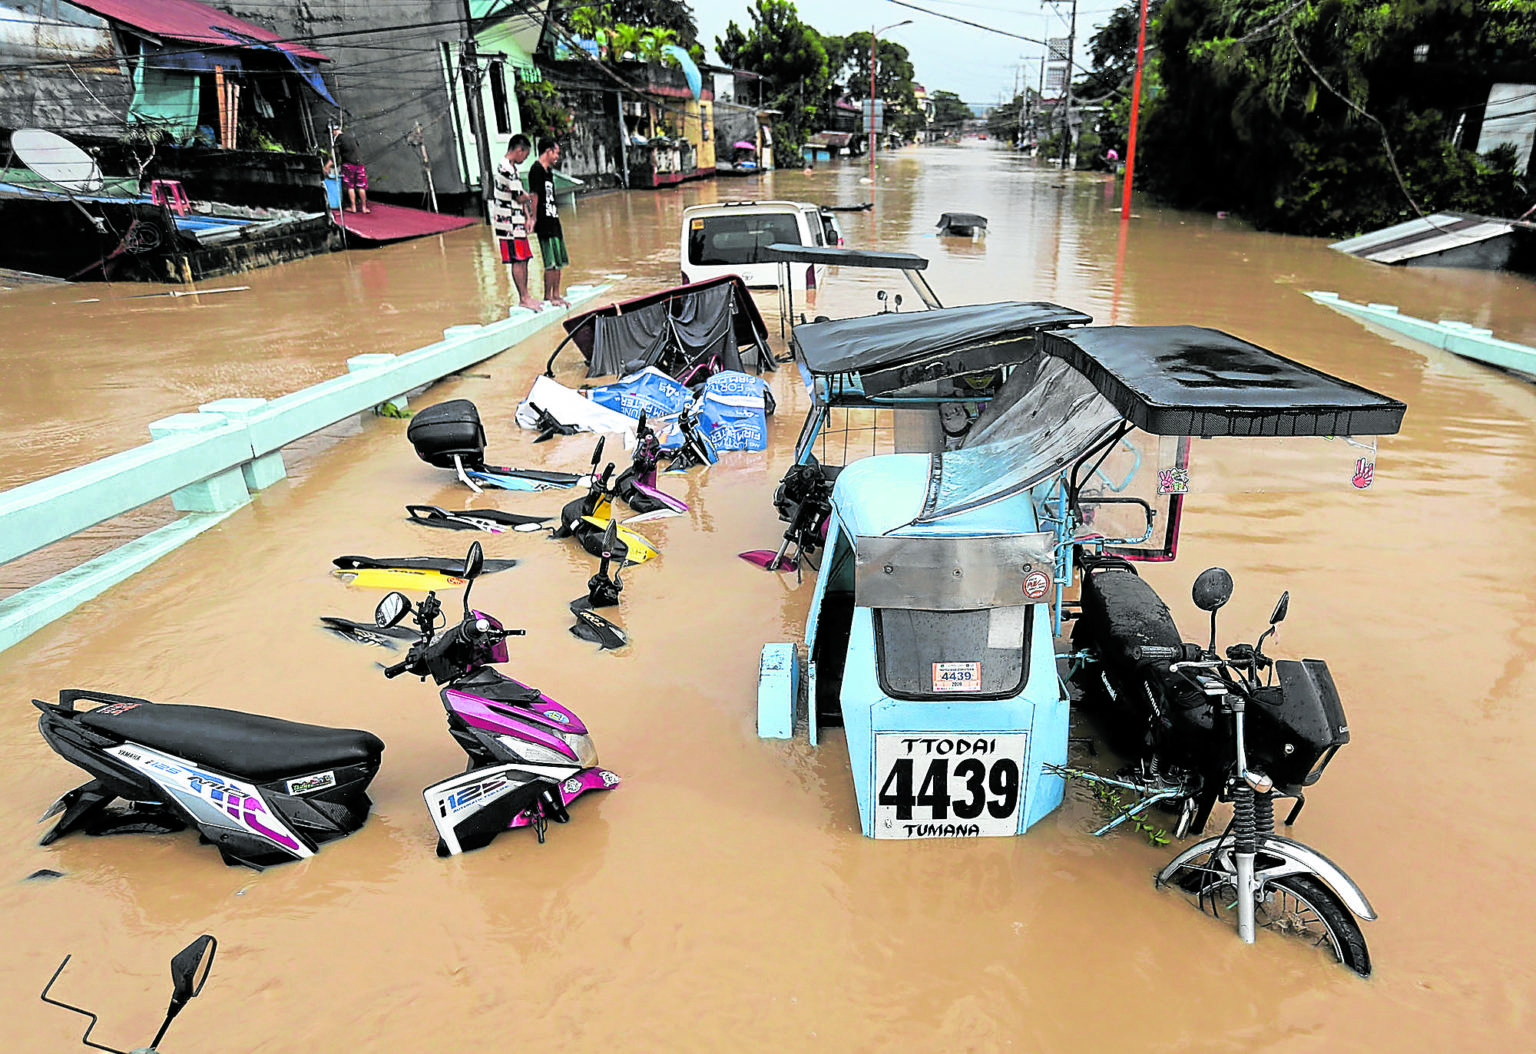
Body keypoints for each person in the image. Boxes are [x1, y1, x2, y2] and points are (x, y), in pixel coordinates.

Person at [491, 133, 540, 312]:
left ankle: (526, 296)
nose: (524, 159)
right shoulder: (506, 168)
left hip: (516, 220)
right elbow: (520, 196)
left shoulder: (512, 168)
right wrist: (531, 197)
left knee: (524, 258)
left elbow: (519, 196)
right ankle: (523, 298)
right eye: (525, 155)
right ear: (519, 150)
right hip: (508, 223)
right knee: (518, 259)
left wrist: (528, 216)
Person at [527, 137, 570, 307]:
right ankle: (548, 297)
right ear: (548, 151)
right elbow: (534, 195)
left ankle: (557, 294)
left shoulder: (548, 172)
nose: (557, 156)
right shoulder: (536, 170)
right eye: (556, 153)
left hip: (554, 219)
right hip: (544, 221)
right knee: (550, 261)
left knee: (559, 261)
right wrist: (533, 218)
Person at [335, 129, 368, 214]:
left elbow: (336, 155)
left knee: (350, 187)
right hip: (359, 163)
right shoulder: (351, 136)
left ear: (333, 131)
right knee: (361, 186)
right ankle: (364, 207)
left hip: (348, 164)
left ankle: (353, 207)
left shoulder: (338, 139)